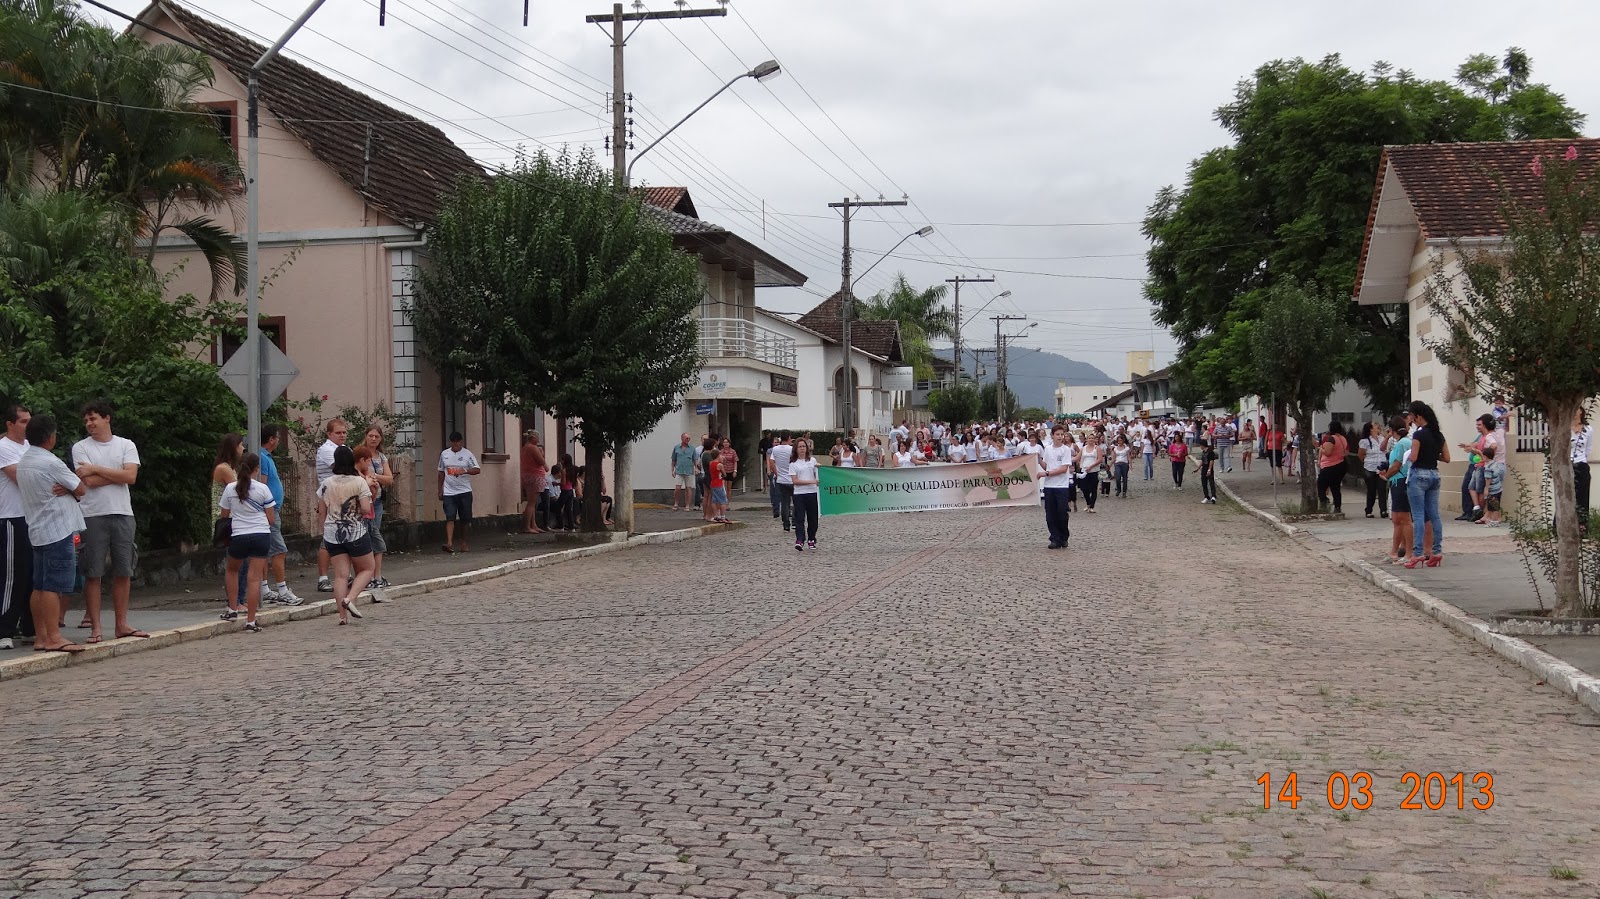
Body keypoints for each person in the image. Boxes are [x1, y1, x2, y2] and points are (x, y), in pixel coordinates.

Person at [71, 400, 146, 643]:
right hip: (92, 514)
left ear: (106, 418)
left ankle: (121, 624)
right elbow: (88, 482)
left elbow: (131, 476)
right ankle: (96, 627)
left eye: (93, 418)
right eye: (86, 420)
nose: (89, 424)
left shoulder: (126, 445)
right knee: (93, 571)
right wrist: (116, 475)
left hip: (123, 512)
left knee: (123, 569)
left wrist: (96, 469)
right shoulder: (80, 448)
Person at [18, 415, 87, 653]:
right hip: (57, 528)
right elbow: (80, 488)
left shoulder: (25, 461)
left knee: (39, 585)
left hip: (38, 528)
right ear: (50, 437)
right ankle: (54, 636)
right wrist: (69, 488)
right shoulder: (50, 462)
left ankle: (41, 636)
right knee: (53, 586)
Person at [217, 451, 276, 632]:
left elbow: (224, 515)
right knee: (254, 578)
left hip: (239, 535)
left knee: (232, 570)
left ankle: (232, 608)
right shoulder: (263, 489)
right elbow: (271, 519)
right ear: (257, 469)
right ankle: (251, 621)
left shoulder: (230, 489)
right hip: (260, 535)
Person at [317, 445, 374, 624]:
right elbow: (365, 509)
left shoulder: (327, 483)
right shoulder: (359, 482)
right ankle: (350, 599)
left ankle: (342, 616)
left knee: (341, 575)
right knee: (367, 568)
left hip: (332, 534)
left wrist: (324, 530)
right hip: (355, 532)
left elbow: (321, 511)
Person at [255, 427, 303, 606]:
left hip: (271, 509)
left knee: (266, 551)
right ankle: (282, 589)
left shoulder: (265, 457)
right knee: (279, 550)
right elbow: (263, 486)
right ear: (271, 439)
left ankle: (264, 588)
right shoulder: (263, 458)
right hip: (269, 511)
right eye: (277, 438)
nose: (278, 441)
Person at [0, 404, 34, 650]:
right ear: (10, 424)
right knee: (12, 575)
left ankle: (29, 628)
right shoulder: (3, 447)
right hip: (11, 517)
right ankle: (4, 629)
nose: (27, 426)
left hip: (32, 517)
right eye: (22, 421)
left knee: (32, 575)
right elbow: (22, 478)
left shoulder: (30, 447)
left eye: (29, 421)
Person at [1404, 401, 1451, 568]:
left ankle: (1417, 554)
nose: (1411, 419)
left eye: (1412, 416)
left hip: (1419, 475)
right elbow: (1446, 458)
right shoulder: (1439, 434)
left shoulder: (1418, 435)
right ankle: (1436, 551)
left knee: (1417, 516)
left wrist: (1407, 456)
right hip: (1434, 474)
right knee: (1434, 515)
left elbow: (1414, 457)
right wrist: (1432, 454)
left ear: (1418, 416)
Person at [314, 418, 349, 592]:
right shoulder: (327, 450)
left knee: (344, 537)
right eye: (338, 433)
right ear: (329, 434)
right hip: (329, 498)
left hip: (343, 498)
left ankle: (343, 575)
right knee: (327, 539)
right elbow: (342, 467)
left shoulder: (343, 449)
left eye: (344, 432)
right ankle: (323, 578)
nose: (342, 435)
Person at [211, 433, 243, 609]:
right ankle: (234, 601)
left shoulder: (231, 468)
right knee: (235, 561)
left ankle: (239, 599)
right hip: (227, 519)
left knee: (240, 561)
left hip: (234, 518)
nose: (243, 449)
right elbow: (239, 489)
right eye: (240, 445)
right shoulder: (224, 469)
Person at [438, 430, 480, 552]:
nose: (455, 444)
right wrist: (440, 489)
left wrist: (465, 471)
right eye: (453, 442)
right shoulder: (444, 454)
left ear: (461, 442)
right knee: (450, 516)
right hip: (449, 491)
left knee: (465, 518)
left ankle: (464, 542)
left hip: (464, 491)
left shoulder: (467, 454)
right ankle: (449, 543)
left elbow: (477, 469)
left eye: (457, 442)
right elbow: (441, 472)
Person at [1381, 415, 1414, 565]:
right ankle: (1394, 551)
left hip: (1400, 481)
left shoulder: (1402, 444)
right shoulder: (1402, 442)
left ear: (1392, 430)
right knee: (1396, 519)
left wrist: (1386, 476)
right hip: (1396, 482)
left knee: (1404, 518)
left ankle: (1408, 552)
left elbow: (1396, 465)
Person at [1038, 425, 1074, 550]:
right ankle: (1054, 537)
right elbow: (1046, 465)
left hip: (1061, 486)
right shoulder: (1047, 449)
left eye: (1061, 434)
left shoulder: (1066, 450)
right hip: (1049, 485)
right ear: (1052, 435)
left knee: (1062, 513)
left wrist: (1046, 473)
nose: (1060, 436)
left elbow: (1063, 469)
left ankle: (1064, 536)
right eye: (1057, 434)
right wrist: (1037, 459)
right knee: (1050, 514)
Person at [789, 437, 820, 551]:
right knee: (799, 518)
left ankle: (811, 538)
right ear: (796, 449)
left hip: (812, 493)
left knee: (813, 518)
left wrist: (819, 469)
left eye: (804, 446)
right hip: (799, 494)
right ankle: (800, 539)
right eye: (800, 447)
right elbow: (795, 481)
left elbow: (818, 475)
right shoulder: (793, 464)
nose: (802, 449)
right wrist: (811, 481)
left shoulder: (812, 461)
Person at [1358, 421, 1389, 519]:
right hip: (1370, 468)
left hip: (1381, 468)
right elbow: (1361, 454)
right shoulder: (1365, 441)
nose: (1377, 427)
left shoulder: (1382, 439)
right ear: (1371, 429)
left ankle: (1383, 510)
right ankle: (1369, 510)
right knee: (1371, 490)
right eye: (1375, 426)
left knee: (1382, 489)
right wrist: (1367, 462)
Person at [1317, 420, 1349, 514]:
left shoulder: (1331, 438)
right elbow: (1346, 452)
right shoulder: (1343, 438)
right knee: (1336, 487)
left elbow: (1327, 452)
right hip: (1341, 464)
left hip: (1330, 466)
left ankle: (1324, 503)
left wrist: (1320, 448)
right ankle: (1337, 507)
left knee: (1321, 486)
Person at [521, 430, 548, 533]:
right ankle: (527, 526)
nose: (539, 440)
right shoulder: (533, 448)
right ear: (533, 438)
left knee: (532, 502)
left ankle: (533, 524)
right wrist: (542, 454)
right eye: (538, 438)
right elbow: (541, 461)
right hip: (535, 476)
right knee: (531, 503)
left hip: (527, 475)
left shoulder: (524, 448)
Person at [1572, 409, 1593, 537]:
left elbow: (1588, 448)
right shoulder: (1564, 427)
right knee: (1566, 497)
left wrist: (1582, 460)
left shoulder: (1588, 429)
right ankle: (1560, 527)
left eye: (1577, 409)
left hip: (1582, 464)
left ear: (1581, 412)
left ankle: (1582, 527)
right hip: (1568, 464)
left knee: (1582, 497)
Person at [768, 431, 794, 531]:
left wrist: (776, 472)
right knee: (795, 502)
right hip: (792, 479)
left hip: (781, 479)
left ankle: (786, 524)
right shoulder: (792, 449)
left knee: (784, 503)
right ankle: (795, 522)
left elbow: (771, 461)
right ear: (788, 438)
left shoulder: (775, 449)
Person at [1478, 444, 1505, 527]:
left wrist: (1486, 489)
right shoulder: (1496, 464)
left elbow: (1488, 479)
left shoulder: (1488, 467)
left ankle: (1493, 521)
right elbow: (1500, 474)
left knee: (1492, 506)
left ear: (1485, 457)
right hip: (1499, 487)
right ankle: (1495, 520)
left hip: (1492, 489)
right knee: (1496, 504)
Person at [670, 433, 697, 512]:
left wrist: (696, 468)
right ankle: (676, 503)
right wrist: (672, 470)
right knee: (677, 488)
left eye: (689, 438)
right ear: (682, 438)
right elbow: (673, 459)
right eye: (686, 438)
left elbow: (694, 459)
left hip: (689, 471)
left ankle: (687, 505)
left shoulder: (692, 448)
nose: (688, 440)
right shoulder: (676, 447)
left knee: (688, 488)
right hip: (679, 470)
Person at [1077, 433, 1103, 513]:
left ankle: (1092, 506)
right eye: (1089, 438)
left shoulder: (1097, 448)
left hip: (1094, 471)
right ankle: (1088, 503)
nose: (1091, 440)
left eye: (1092, 438)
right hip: (1084, 470)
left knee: (1093, 488)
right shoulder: (1083, 448)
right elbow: (1077, 457)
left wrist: (1091, 466)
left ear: (1095, 439)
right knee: (1084, 488)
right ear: (1087, 440)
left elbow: (1100, 459)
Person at [1111, 434, 1131, 498]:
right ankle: (1119, 489)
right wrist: (1110, 465)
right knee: (1118, 477)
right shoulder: (1115, 448)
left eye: (1121, 440)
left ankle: (1124, 491)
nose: (1120, 442)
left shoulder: (1126, 448)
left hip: (1124, 463)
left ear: (1123, 441)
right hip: (1117, 463)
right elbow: (1114, 458)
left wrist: (1130, 464)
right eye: (1118, 440)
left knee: (1125, 477)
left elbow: (1129, 457)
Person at [1198, 439, 1218, 504]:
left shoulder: (1210, 452)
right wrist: (1198, 468)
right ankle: (1206, 496)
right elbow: (1202, 461)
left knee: (1211, 483)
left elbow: (1211, 461)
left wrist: (1209, 469)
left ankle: (1213, 496)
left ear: (1202, 445)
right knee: (1204, 483)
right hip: (1204, 468)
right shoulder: (1203, 452)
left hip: (1208, 468)